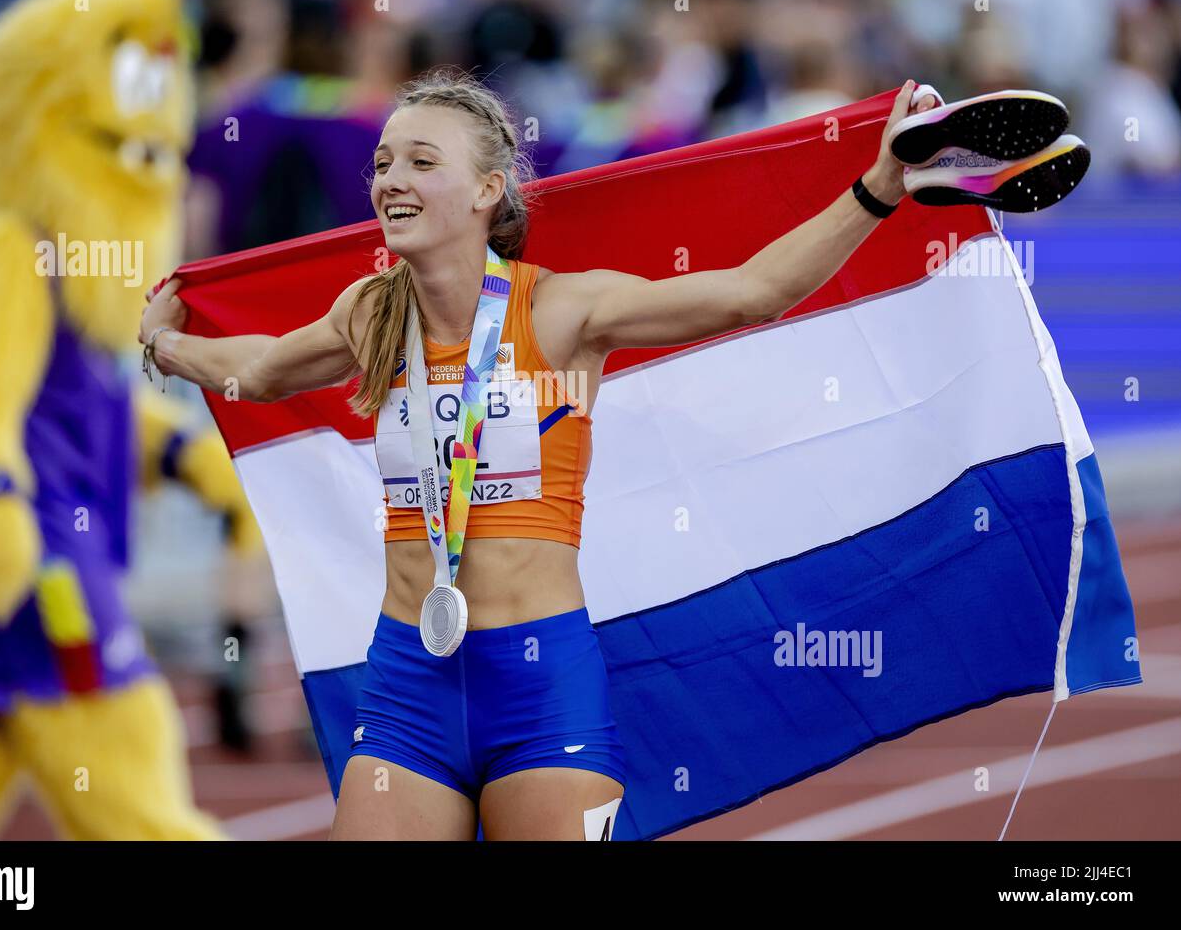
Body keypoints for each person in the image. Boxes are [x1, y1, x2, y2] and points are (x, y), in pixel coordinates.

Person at [138, 69, 940, 840]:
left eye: (422, 162)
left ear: (489, 191)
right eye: (382, 163)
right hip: (407, 684)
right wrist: (168, 343)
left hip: (540, 686)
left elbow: (752, 292)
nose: (391, 180)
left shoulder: (563, 311)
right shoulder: (369, 313)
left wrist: (879, 189)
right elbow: (266, 370)